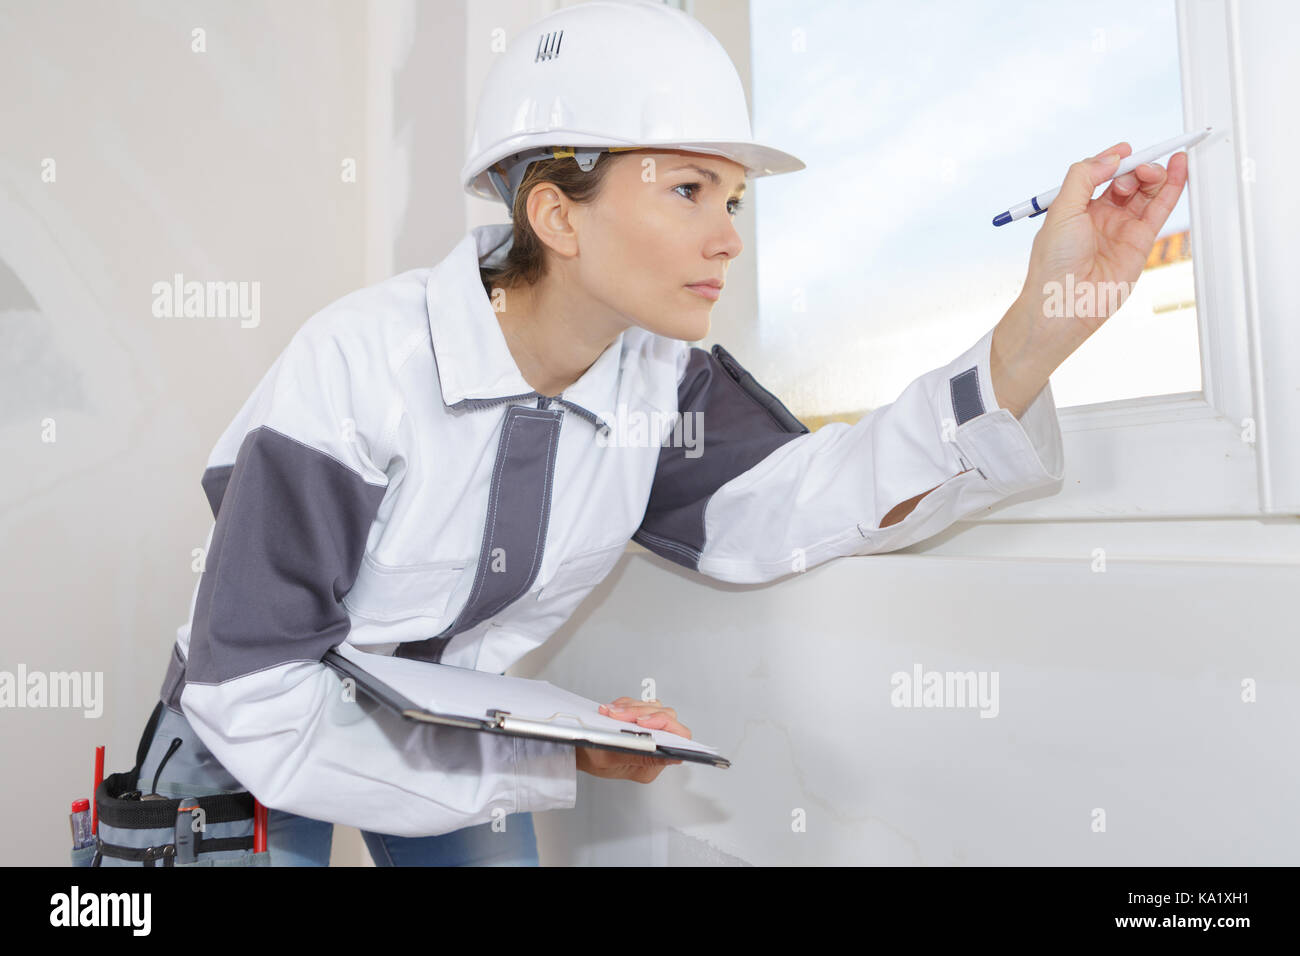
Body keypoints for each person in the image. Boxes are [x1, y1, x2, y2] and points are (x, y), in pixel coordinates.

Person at [132, 0, 1187, 866]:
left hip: (455, 725)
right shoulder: (356, 369)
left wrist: (1035, 331)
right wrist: (556, 761)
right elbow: (251, 686)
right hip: (252, 718)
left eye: (730, 197)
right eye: (687, 190)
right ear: (555, 214)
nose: (727, 236)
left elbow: (805, 496)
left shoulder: (663, 382)